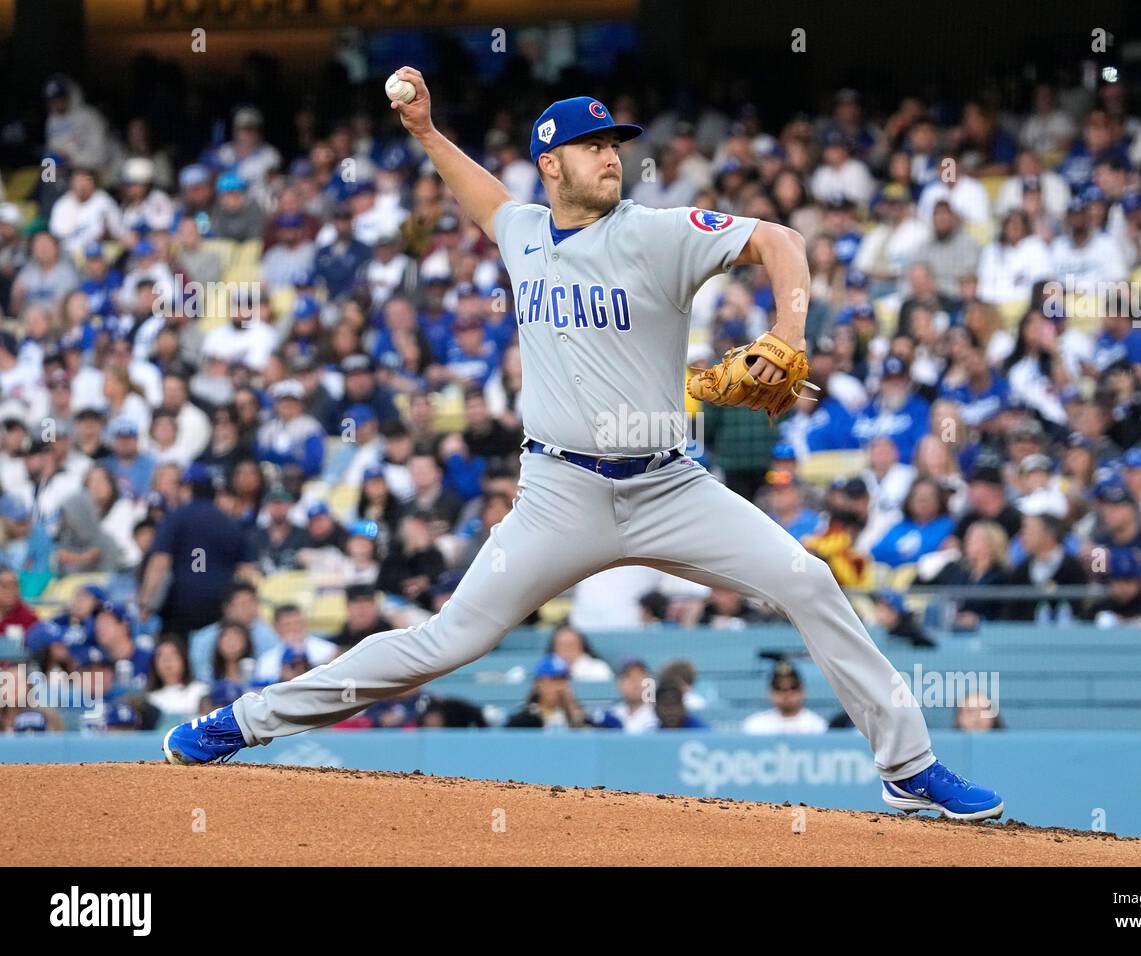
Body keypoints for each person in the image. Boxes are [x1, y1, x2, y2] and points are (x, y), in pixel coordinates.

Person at [163, 76, 1002, 822]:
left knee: (808, 580)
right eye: (592, 146)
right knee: (445, 643)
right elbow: (485, 200)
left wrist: (788, 328)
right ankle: (241, 722)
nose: (611, 157)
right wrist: (425, 133)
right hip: (557, 494)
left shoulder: (658, 233)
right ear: (552, 164)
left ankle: (908, 767)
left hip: (669, 487)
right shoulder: (524, 230)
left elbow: (780, 239)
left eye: (615, 144)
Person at [139, 463, 258, 639]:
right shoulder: (230, 523)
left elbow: (160, 563)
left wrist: (145, 603)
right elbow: (248, 571)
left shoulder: (176, 518)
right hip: (220, 605)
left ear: (188, 489)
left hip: (180, 606)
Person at [741, 661, 829, 734]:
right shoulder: (755, 725)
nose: (787, 693)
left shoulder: (817, 725)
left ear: (803, 691)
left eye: (793, 687)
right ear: (770, 692)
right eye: (778, 688)